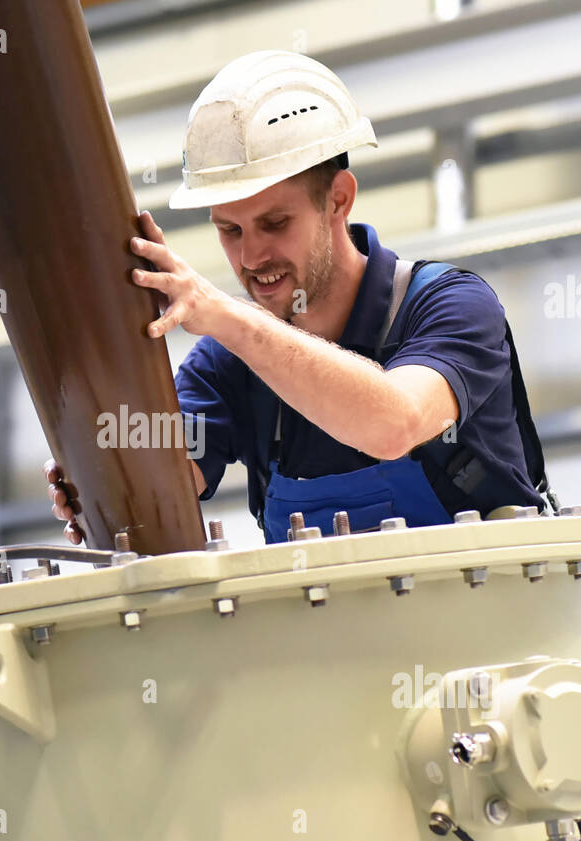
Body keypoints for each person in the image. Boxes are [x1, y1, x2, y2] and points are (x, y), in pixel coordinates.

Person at [47, 50, 552, 546]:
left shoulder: (449, 306)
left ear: (338, 199)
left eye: (274, 223)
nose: (249, 257)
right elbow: (164, 483)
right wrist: (99, 474)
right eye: (229, 230)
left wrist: (231, 320)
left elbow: (394, 423)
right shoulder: (226, 364)